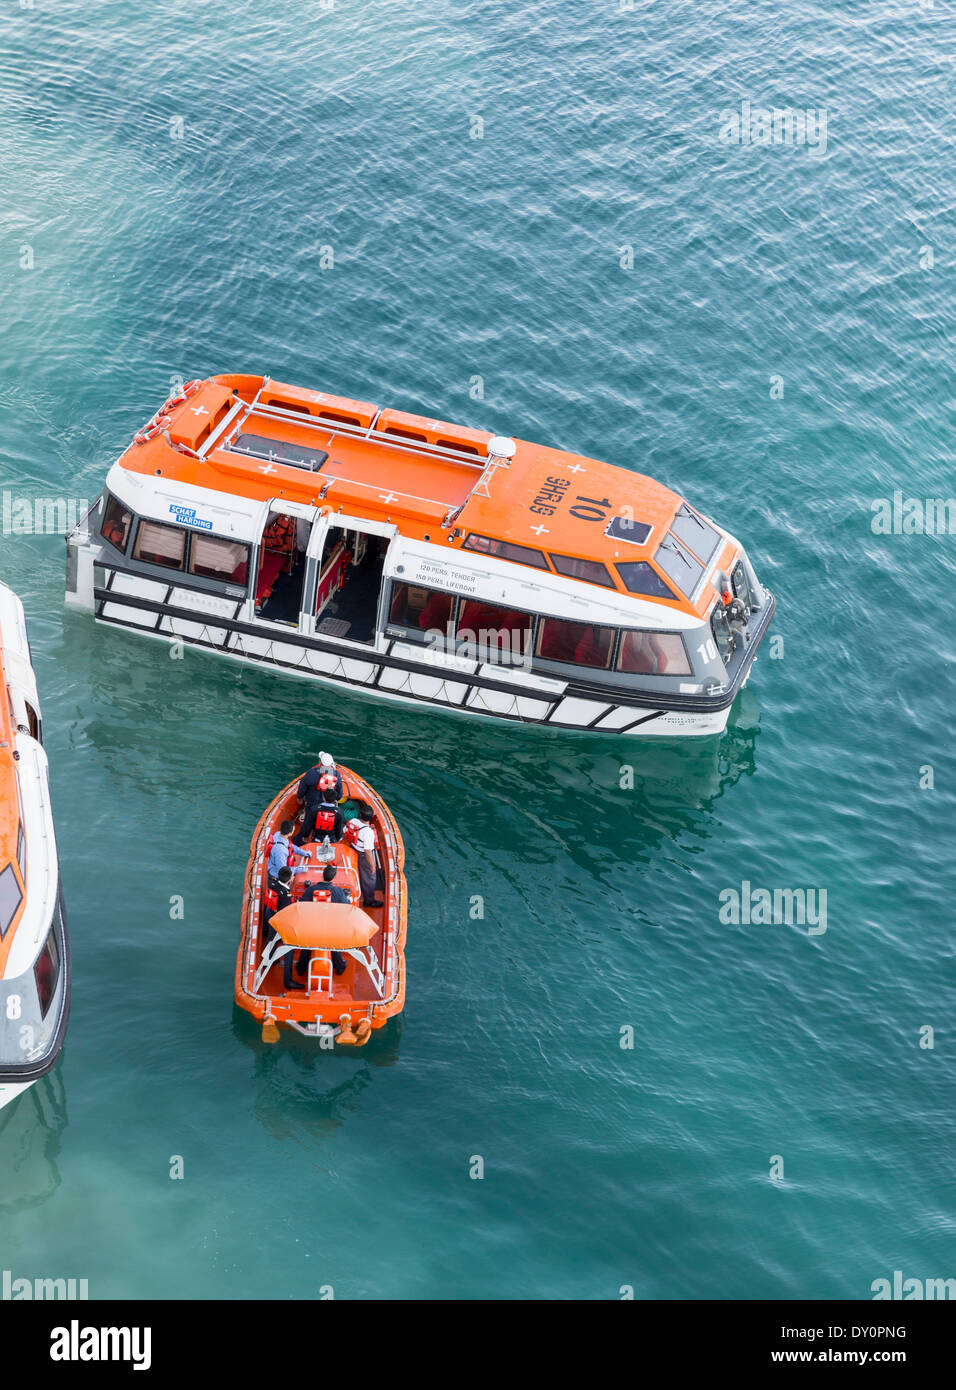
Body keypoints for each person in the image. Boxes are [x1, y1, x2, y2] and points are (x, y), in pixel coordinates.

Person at [262, 866, 306, 991]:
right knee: (289, 950)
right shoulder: (286, 896)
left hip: (272, 917)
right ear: (289, 880)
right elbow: (287, 913)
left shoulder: (273, 883)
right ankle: (288, 980)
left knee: (271, 940)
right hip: (282, 923)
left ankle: (267, 960)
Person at [301, 866, 349, 976]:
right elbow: (346, 906)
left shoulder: (311, 889)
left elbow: (302, 904)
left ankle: (301, 967)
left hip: (313, 926)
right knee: (335, 945)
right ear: (334, 877)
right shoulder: (337, 891)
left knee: (306, 945)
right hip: (331, 926)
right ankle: (339, 967)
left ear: (322, 874)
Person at [295, 752, 344, 844]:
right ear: (331, 764)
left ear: (320, 762)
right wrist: (334, 799)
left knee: (307, 822)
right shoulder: (336, 774)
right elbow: (339, 794)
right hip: (329, 806)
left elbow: (302, 787)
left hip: (312, 803)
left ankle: (300, 841)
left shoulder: (311, 773)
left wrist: (300, 798)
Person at [345, 804, 384, 908]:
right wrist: (372, 866)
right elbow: (368, 851)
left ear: (360, 815)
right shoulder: (368, 832)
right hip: (362, 854)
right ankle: (369, 900)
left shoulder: (353, 821)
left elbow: (345, 830)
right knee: (370, 878)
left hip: (352, 849)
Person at [267, 819, 310, 886]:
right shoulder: (281, 852)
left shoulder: (278, 834)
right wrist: (301, 869)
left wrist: (304, 853)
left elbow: (290, 846)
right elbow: (283, 870)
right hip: (276, 875)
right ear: (290, 833)